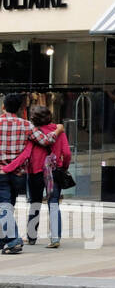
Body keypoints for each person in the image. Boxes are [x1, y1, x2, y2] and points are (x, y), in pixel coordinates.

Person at [0, 93, 64, 254]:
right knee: (8, 205)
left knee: (4, 206)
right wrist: (57, 130)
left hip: (1, 172)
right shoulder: (27, 125)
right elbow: (46, 141)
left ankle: (13, 239)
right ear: (22, 108)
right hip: (18, 174)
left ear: (3, 107)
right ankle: (4, 239)